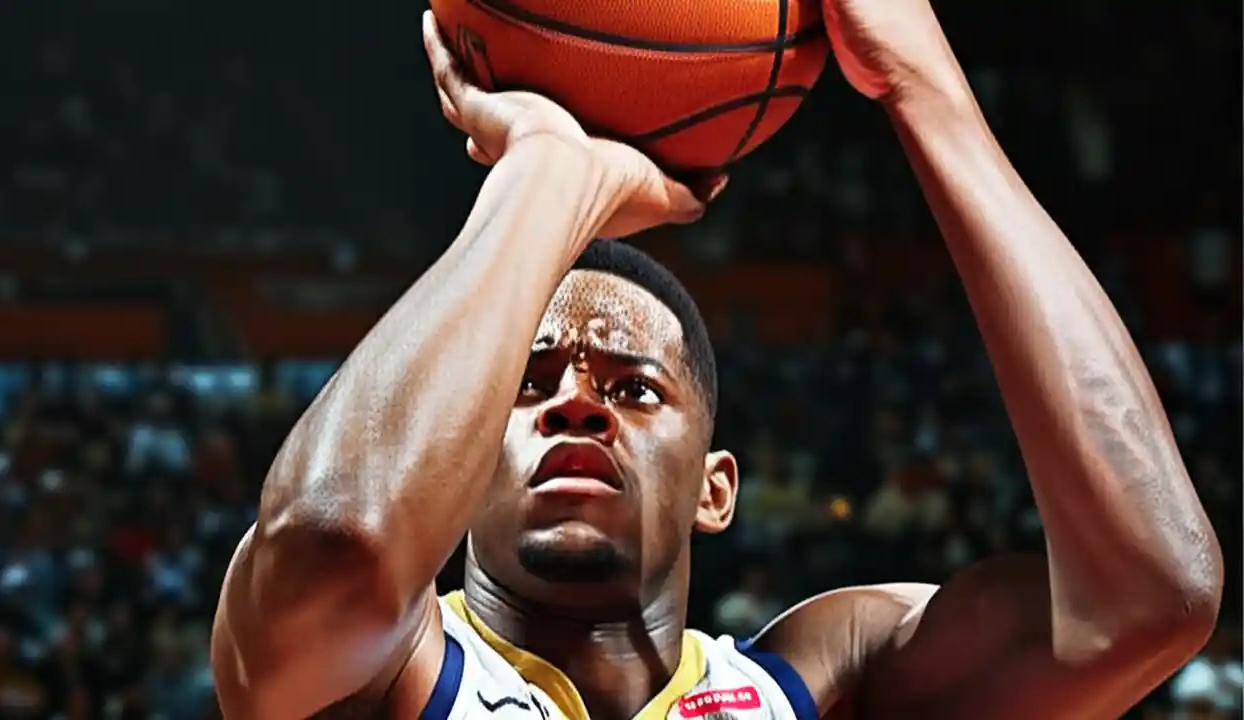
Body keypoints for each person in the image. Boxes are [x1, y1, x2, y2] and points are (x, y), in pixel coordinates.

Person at [210, 1, 1224, 718]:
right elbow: (330, 546)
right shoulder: (375, 685)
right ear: (460, 448)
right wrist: (548, 172)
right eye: (526, 383)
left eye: (634, 388)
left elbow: (1146, 597)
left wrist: (927, 94)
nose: (576, 404)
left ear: (715, 488)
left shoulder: (829, 679)